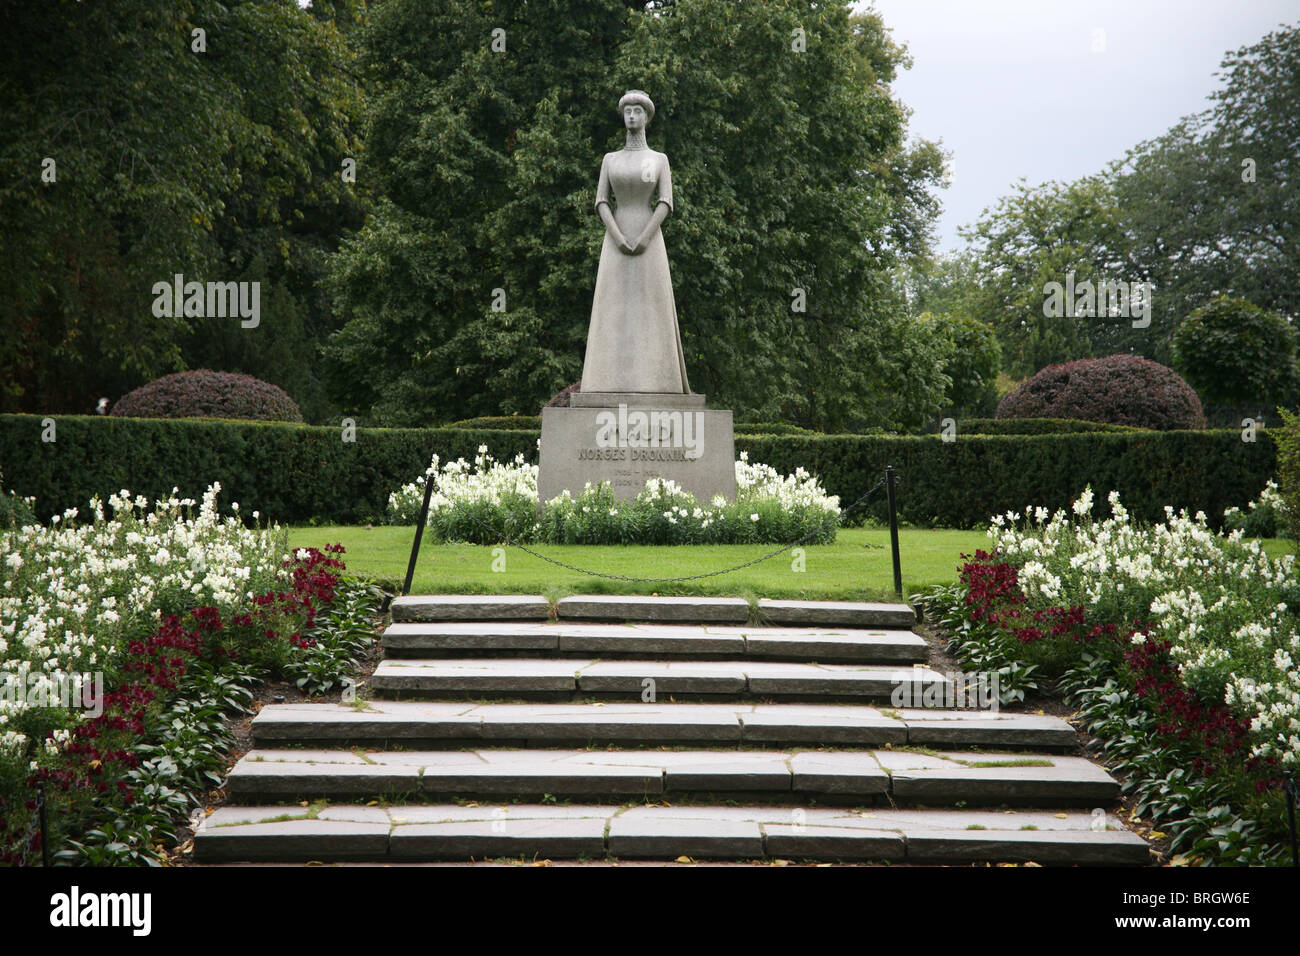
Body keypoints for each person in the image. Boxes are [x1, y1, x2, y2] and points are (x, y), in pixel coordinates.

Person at [580, 90, 692, 395]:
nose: (631, 116)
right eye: (627, 111)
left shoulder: (659, 160)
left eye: (637, 111)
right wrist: (617, 236)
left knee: (650, 305)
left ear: (647, 118)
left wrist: (644, 238)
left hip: (649, 240)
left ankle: (659, 382)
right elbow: (601, 201)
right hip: (615, 239)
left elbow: (665, 202)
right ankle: (604, 382)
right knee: (612, 307)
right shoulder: (610, 160)